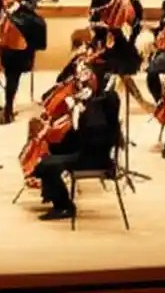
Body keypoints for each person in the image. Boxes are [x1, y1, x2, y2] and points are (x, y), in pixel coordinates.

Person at [33, 77, 121, 220]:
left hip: (93, 160)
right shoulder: (101, 107)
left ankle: (64, 207)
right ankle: (55, 197)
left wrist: (78, 116)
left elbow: (91, 140)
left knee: (46, 164)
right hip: (89, 154)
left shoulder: (98, 115)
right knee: (51, 153)